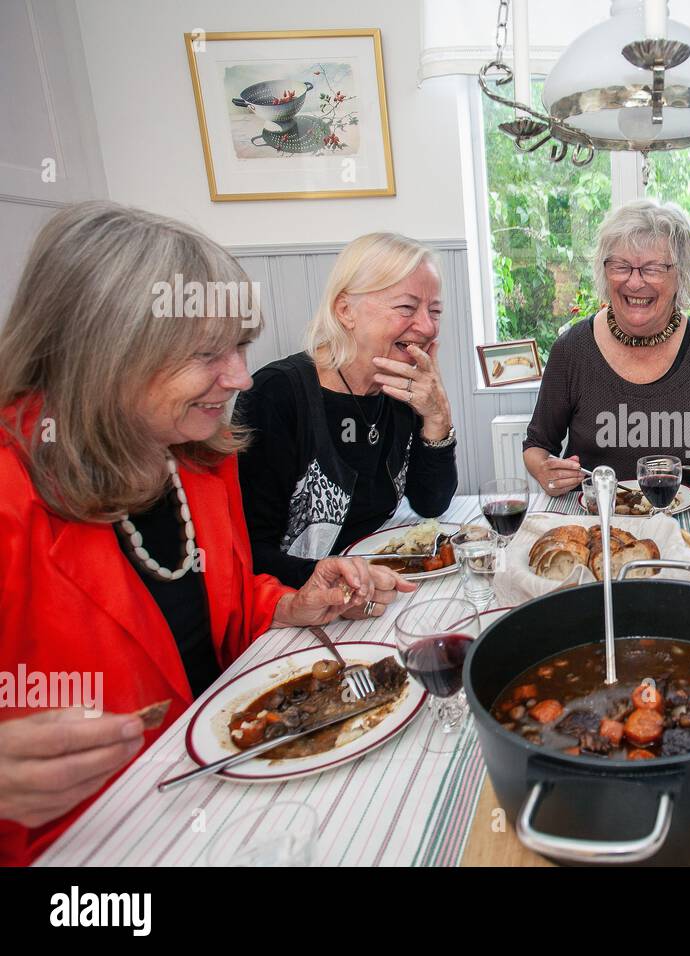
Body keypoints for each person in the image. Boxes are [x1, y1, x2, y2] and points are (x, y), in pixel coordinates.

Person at [0, 202, 412, 864]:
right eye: (205, 355)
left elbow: (206, 617)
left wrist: (283, 603)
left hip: (208, 797)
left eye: (241, 349)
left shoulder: (199, 456)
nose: (241, 378)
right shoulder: (11, 491)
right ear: (101, 355)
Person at [236, 233, 458, 589]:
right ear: (345, 310)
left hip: (381, 585)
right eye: (406, 307)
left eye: (435, 311)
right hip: (298, 602)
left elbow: (431, 502)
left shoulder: (401, 388)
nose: (428, 326)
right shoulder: (277, 394)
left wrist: (437, 419)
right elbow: (250, 553)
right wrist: (337, 581)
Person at [523, 199, 690, 495]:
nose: (634, 283)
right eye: (621, 267)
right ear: (604, 272)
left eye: (653, 269)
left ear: (680, 275)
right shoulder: (571, 351)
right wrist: (546, 471)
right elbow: (537, 446)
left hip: (685, 529)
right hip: (597, 527)